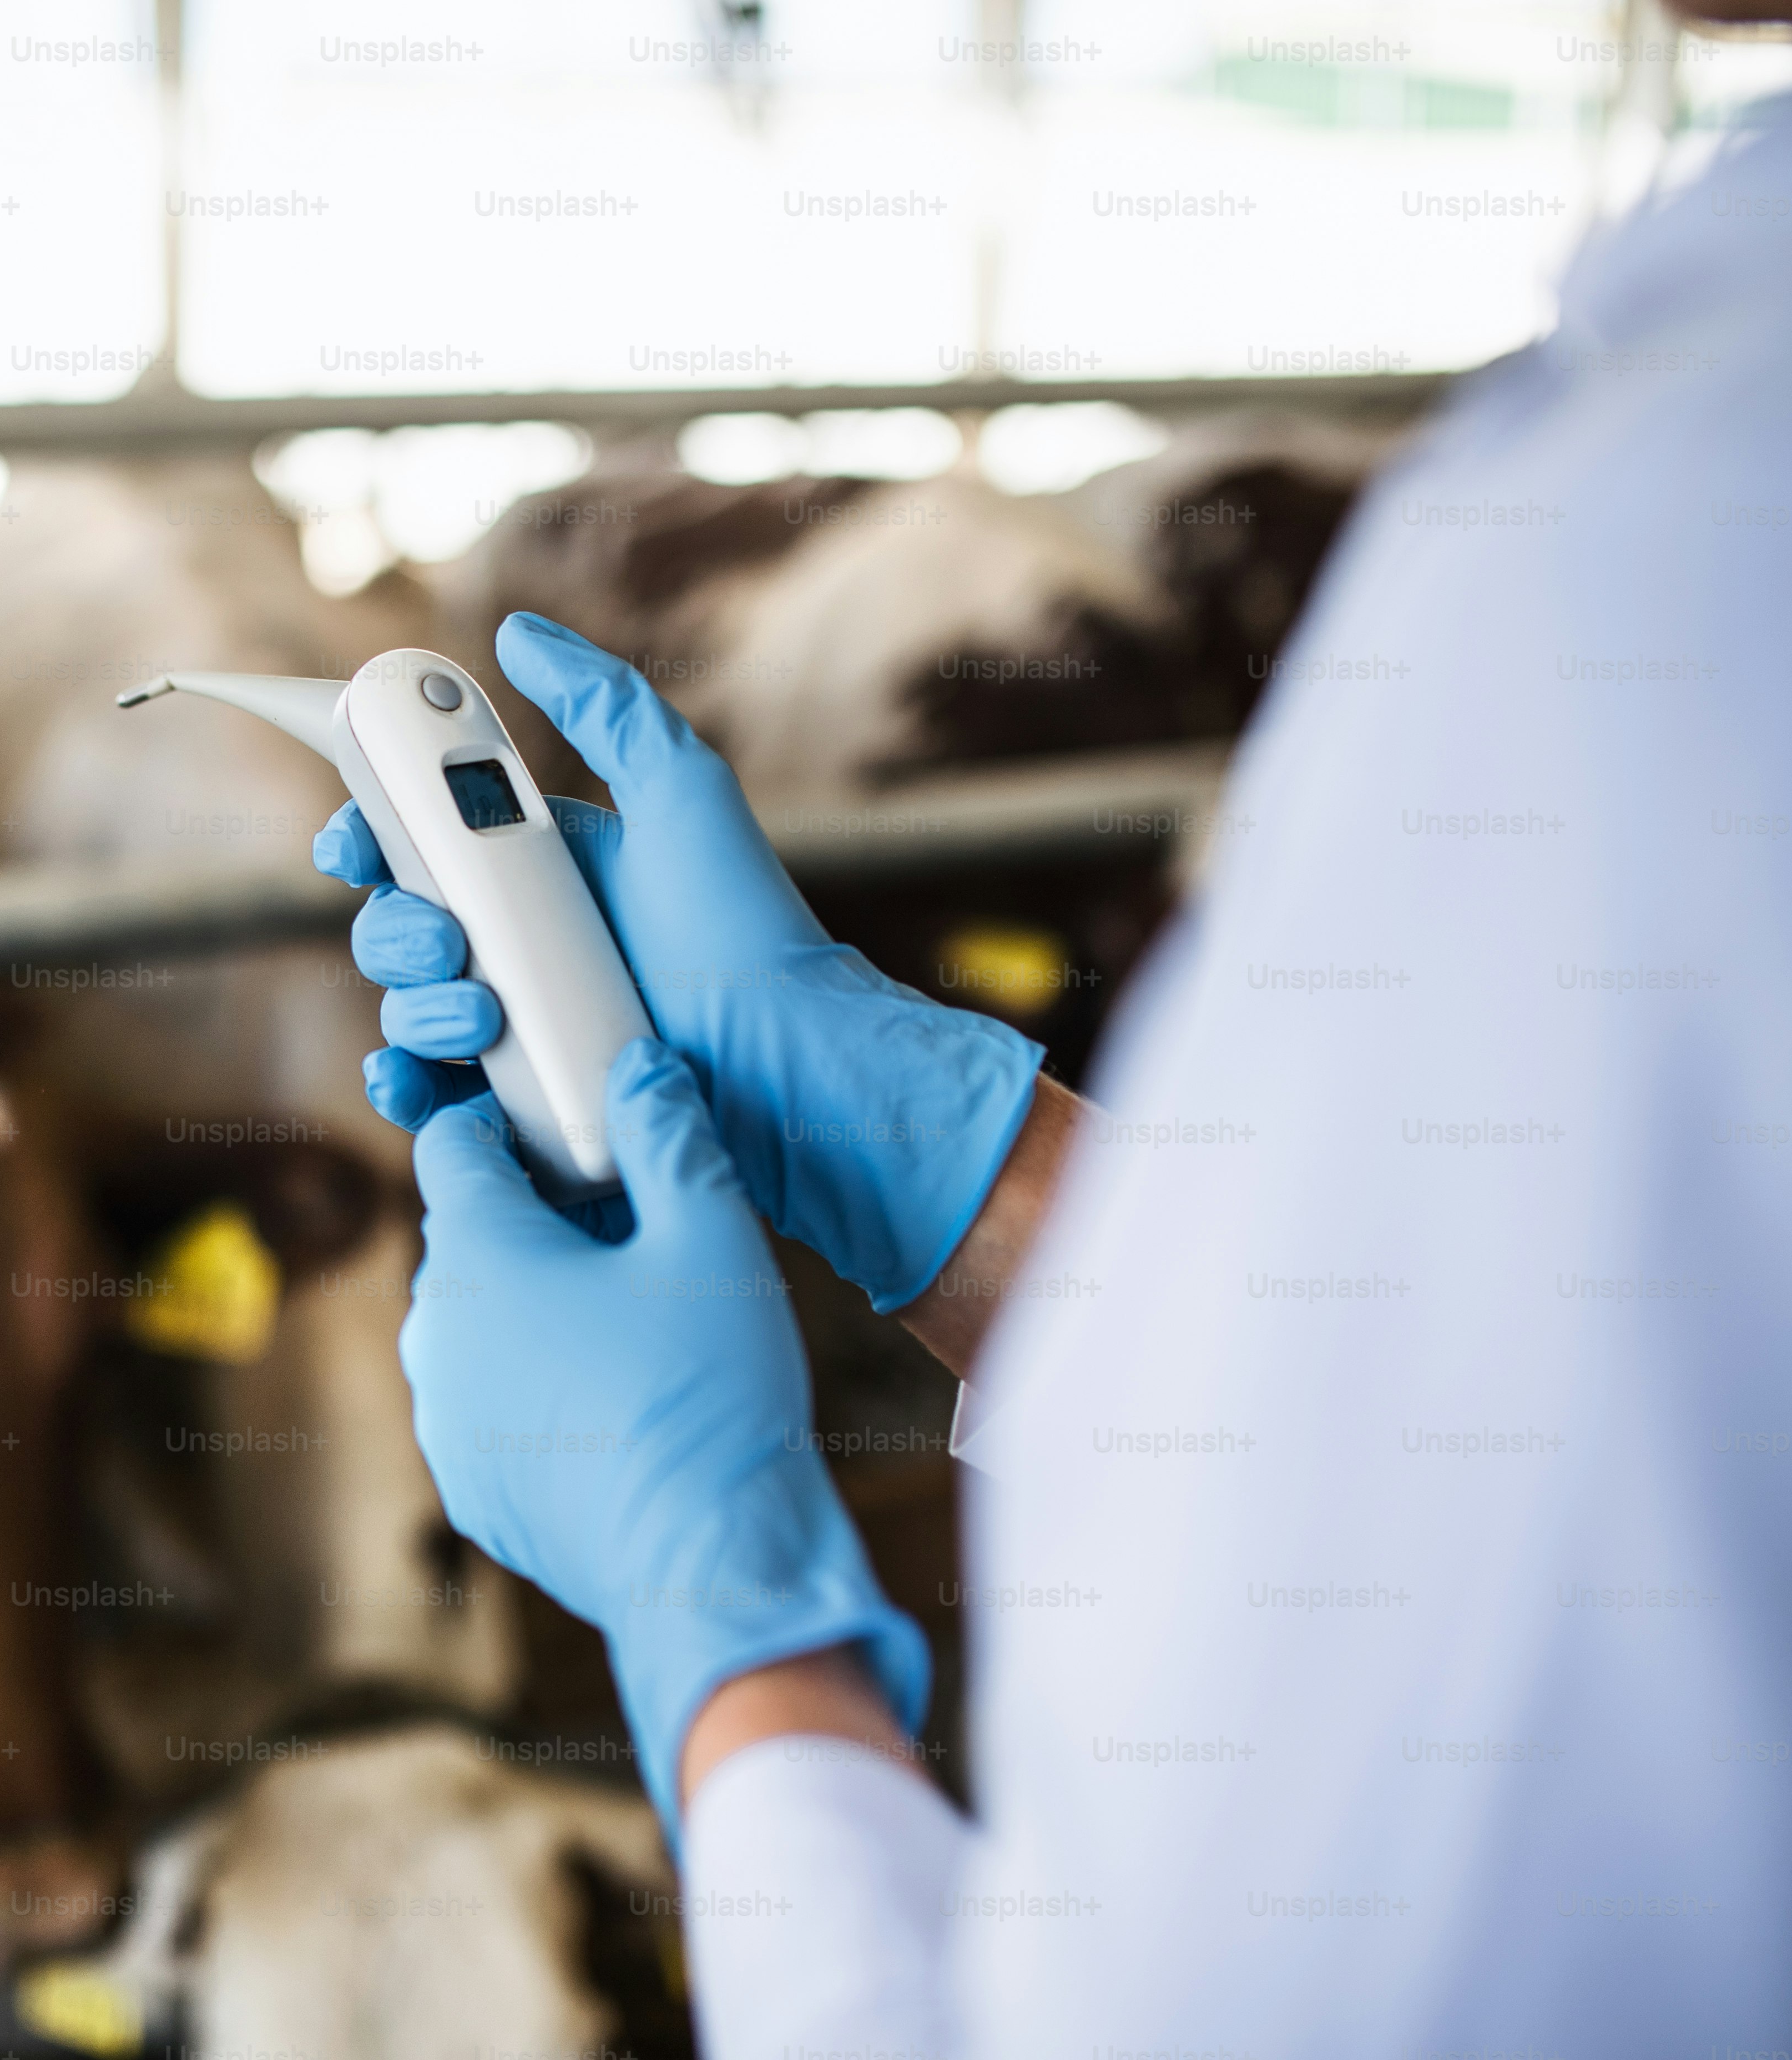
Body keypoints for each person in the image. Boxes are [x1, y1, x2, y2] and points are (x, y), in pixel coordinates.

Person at [312, 74, 1792, 2055]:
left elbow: (1282, 1986)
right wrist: (983, 1192)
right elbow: (1553, 1411)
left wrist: (732, 1633)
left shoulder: (1668, 546)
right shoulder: (1666, 453)